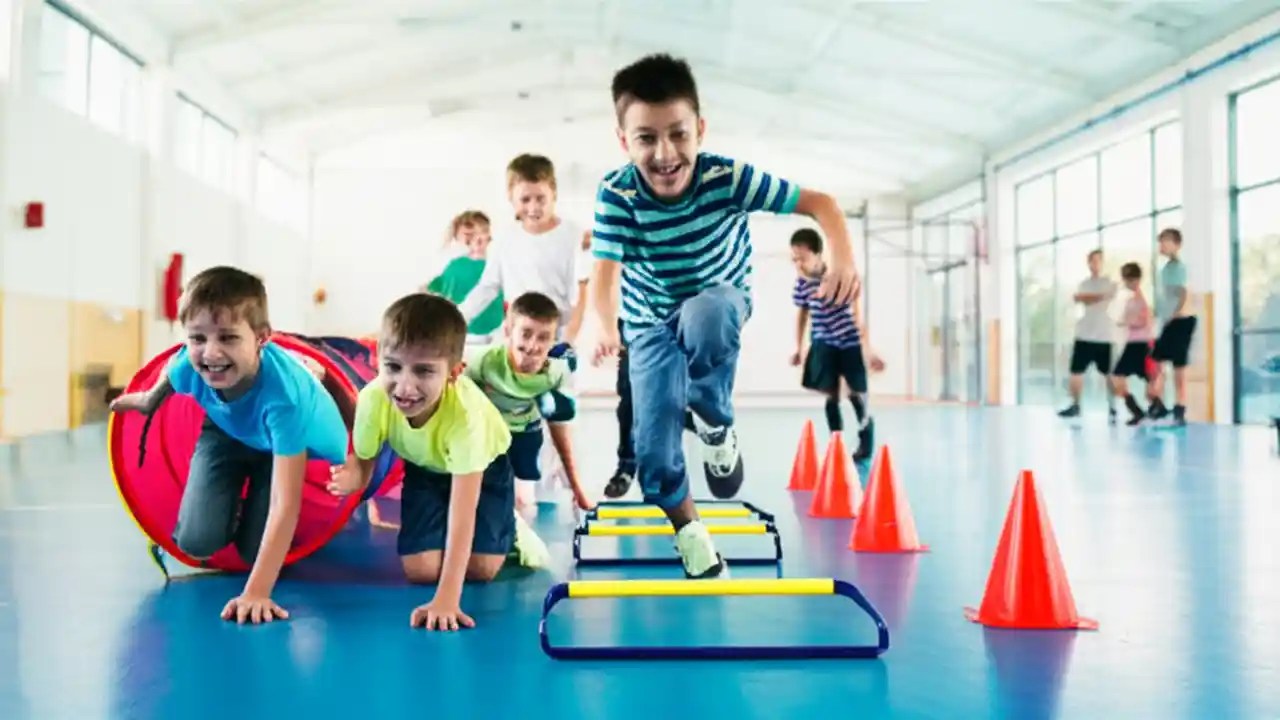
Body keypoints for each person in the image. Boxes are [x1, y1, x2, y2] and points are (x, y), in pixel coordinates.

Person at [588, 53, 861, 579]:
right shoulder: (616, 193)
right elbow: (604, 271)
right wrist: (603, 322)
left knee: (705, 313)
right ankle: (690, 531)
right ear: (624, 141)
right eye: (646, 138)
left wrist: (844, 258)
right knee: (652, 450)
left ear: (700, 130)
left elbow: (820, 203)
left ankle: (714, 421)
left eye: (678, 135)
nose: (665, 154)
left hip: (720, 299)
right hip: (647, 324)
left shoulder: (728, 178)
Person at [109, 266, 348, 625]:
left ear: (262, 337)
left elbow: (286, 504)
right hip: (225, 429)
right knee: (195, 542)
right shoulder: (190, 363)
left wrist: (257, 591)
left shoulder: (285, 400)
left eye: (228, 338)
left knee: (258, 554)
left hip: (277, 444)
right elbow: (171, 375)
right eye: (198, 338)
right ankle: (229, 499)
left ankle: (309, 368)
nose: (211, 353)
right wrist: (147, 401)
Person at [327, 293, 549, 631]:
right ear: (377, 360)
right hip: (426, 466)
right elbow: (364, 461)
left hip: (484, 469)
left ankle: (508, 527)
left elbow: (462, 515)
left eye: (424, 371)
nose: (405, 386)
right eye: (393, 367)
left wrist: (447, 598)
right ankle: (451, 531)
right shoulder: (373, 399)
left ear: (454, 372)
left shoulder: (466, 418)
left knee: (482, 570)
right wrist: (351, 478)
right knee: (421, 571)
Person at [465, 291, 593, 514]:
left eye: (543, 337)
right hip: (490, 435)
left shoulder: (557, 373)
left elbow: (560, 433)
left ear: (553, 340)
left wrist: (577, 489)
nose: (533, 346)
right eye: (525, 334)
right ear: (508, 331)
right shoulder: (483, 362)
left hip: (526, 434)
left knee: (523, 502)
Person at [789, 228, 884, 461]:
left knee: (855, 393)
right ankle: (836, 444)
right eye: (794, 259)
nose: (798, 263)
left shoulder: (837, 276)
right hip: (823, 343)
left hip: (849, 341)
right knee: (830, 395)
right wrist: (798, 347)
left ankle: (865, 433)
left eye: (802, 257)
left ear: (817, 254)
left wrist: (868, 350)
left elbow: (857, 316)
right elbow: (802, 315)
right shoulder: (801, 285)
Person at [426, 210, 504, 345]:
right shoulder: (455, 265)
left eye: (483, 231)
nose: (478, 238)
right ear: (458, 237)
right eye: (470, 235)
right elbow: (435, 289)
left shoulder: (497, 263)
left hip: (495, 332)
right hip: (462, 333)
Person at [1058, 249, 1118, 421]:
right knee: (1076, 372)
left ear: (1102, 262)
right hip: (1084, 334)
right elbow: (1079, 298)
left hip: (1104, 336)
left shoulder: (1109, 282)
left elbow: (1098, 297)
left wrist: (1090, 298)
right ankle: (1075, 406)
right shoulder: (1084, 283)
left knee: (1108, 374)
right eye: (1092, 261)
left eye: (1098, 261)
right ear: (1088, 263)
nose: (1095, 264)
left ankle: (1113, 407)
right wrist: (1099, 297)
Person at [1146, 228, 1196, 426]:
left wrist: (1177, 313)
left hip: (1182, 321)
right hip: (1170, 321)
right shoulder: (1165, 269)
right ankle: (1159, 404)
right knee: (1157, 361)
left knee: (1178, 368)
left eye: (1165, 241)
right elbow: (1165, 297)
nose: (1162, 245)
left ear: (1176, 244)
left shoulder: (1181, 267)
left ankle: (1179, 410)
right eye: (1160, 242)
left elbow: (1184, 293)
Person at [1110, 262, 1154, 426]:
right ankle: (1137, 411)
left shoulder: (1141, 299)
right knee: (1117, 378)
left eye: (1129, 280)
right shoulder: (1131, 299)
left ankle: (1156, 409)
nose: (1127, 283)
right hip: (1132, 343)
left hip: (1142, 344)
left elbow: (1144, 320)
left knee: (1150, 379)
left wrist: (1125, 321)